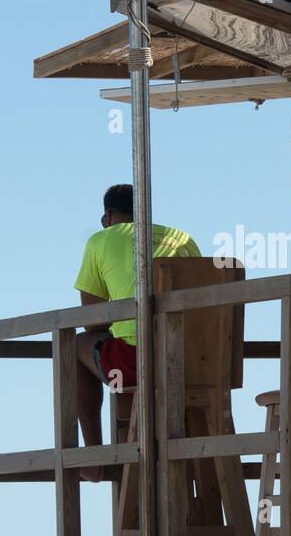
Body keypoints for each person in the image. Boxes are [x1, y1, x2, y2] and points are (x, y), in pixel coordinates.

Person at [72, 184, 199, 479]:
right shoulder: (182, 239)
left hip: (140, 362)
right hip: (198, 365)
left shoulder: (101, 240)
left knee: (73, 345)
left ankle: (94, 457)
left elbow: (92, 322)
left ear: (108, 216)